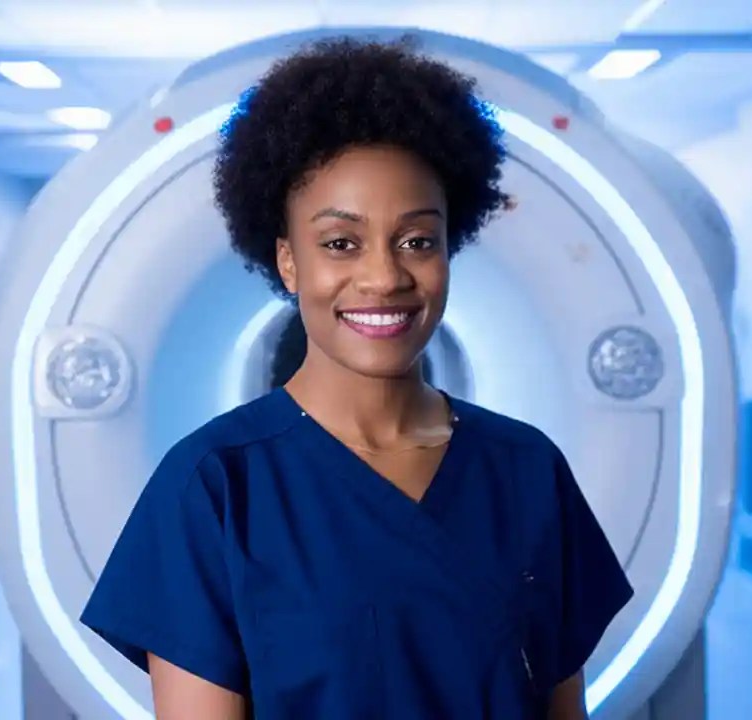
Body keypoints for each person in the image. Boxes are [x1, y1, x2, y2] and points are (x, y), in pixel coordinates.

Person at [80, 36, 633, 720]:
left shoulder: (525, 470)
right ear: (288, 262)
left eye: (418, 240)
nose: (385, 277)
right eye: (341, 243)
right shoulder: (216, 486)